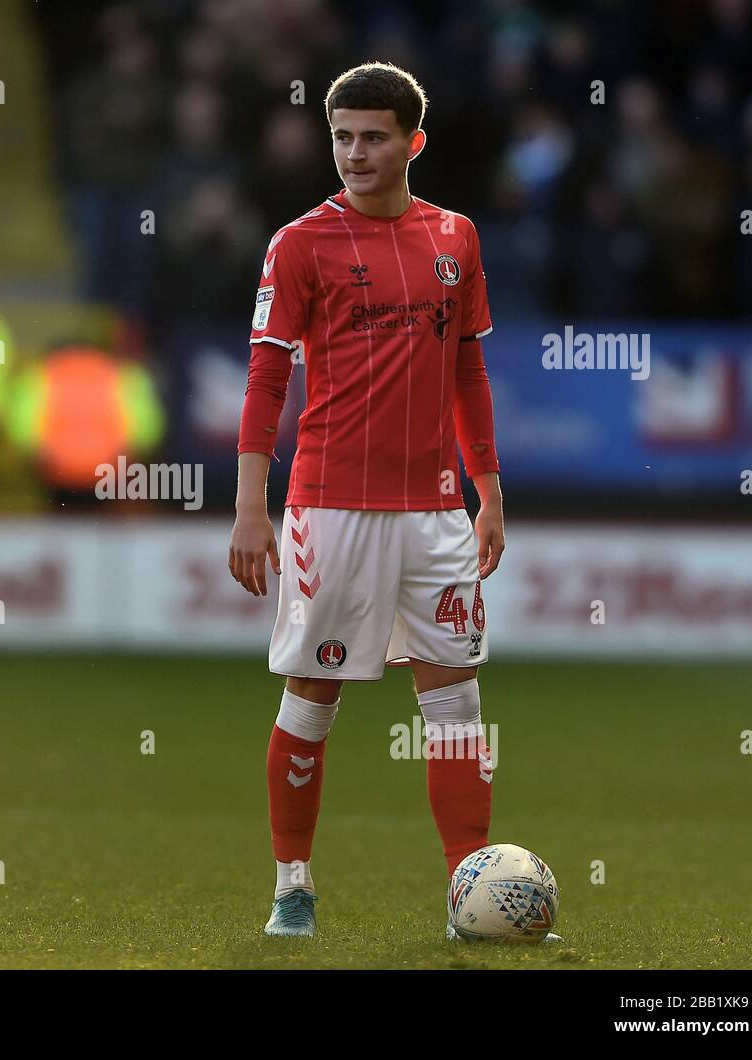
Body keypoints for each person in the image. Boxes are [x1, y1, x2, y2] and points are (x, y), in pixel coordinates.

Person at [228, 61, 559, 944]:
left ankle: (469, 896)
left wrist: (487, 493)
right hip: (331, 506)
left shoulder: (456, 236)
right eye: (341, 136)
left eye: (373, 137)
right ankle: (292, 885)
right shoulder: (300, 243)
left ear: (413, 142)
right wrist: (250, 504)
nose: (354, 153)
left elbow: (468, 371)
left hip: (435, 513)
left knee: (457, 702)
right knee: (314, 694)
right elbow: (266, 378)